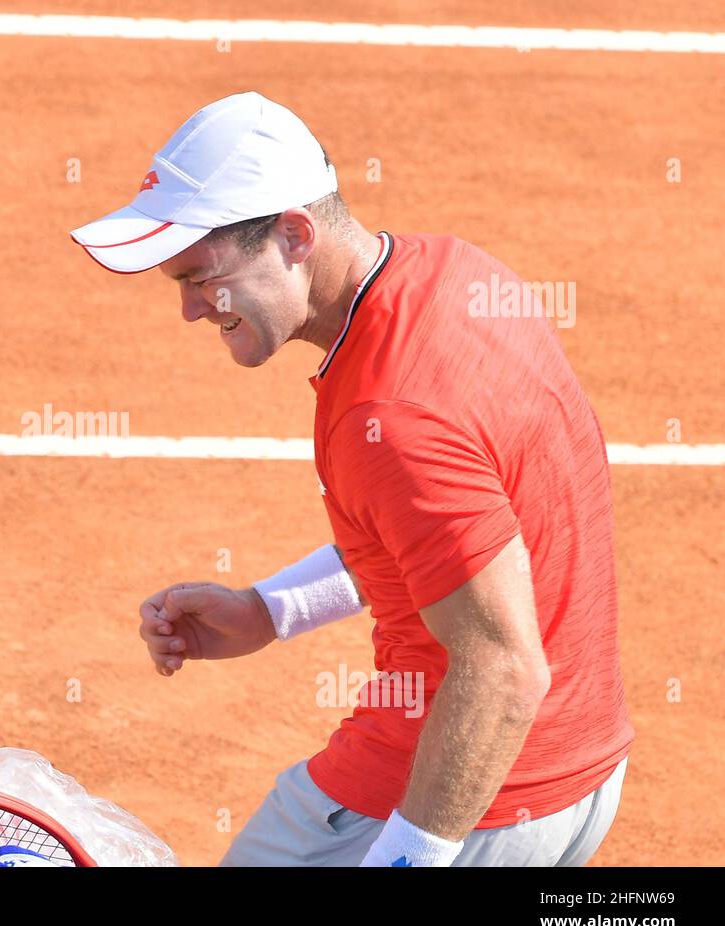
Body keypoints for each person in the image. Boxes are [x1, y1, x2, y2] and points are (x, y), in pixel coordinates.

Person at [70, 91, 633, 866]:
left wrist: (408, 857)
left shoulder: (389, 413)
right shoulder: (457, 274)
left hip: (453, 797)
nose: (192, 311)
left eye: (202, 277)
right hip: (577, 779)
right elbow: (446, 540)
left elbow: (503, 671)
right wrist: (271, 610)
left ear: (294, 235)